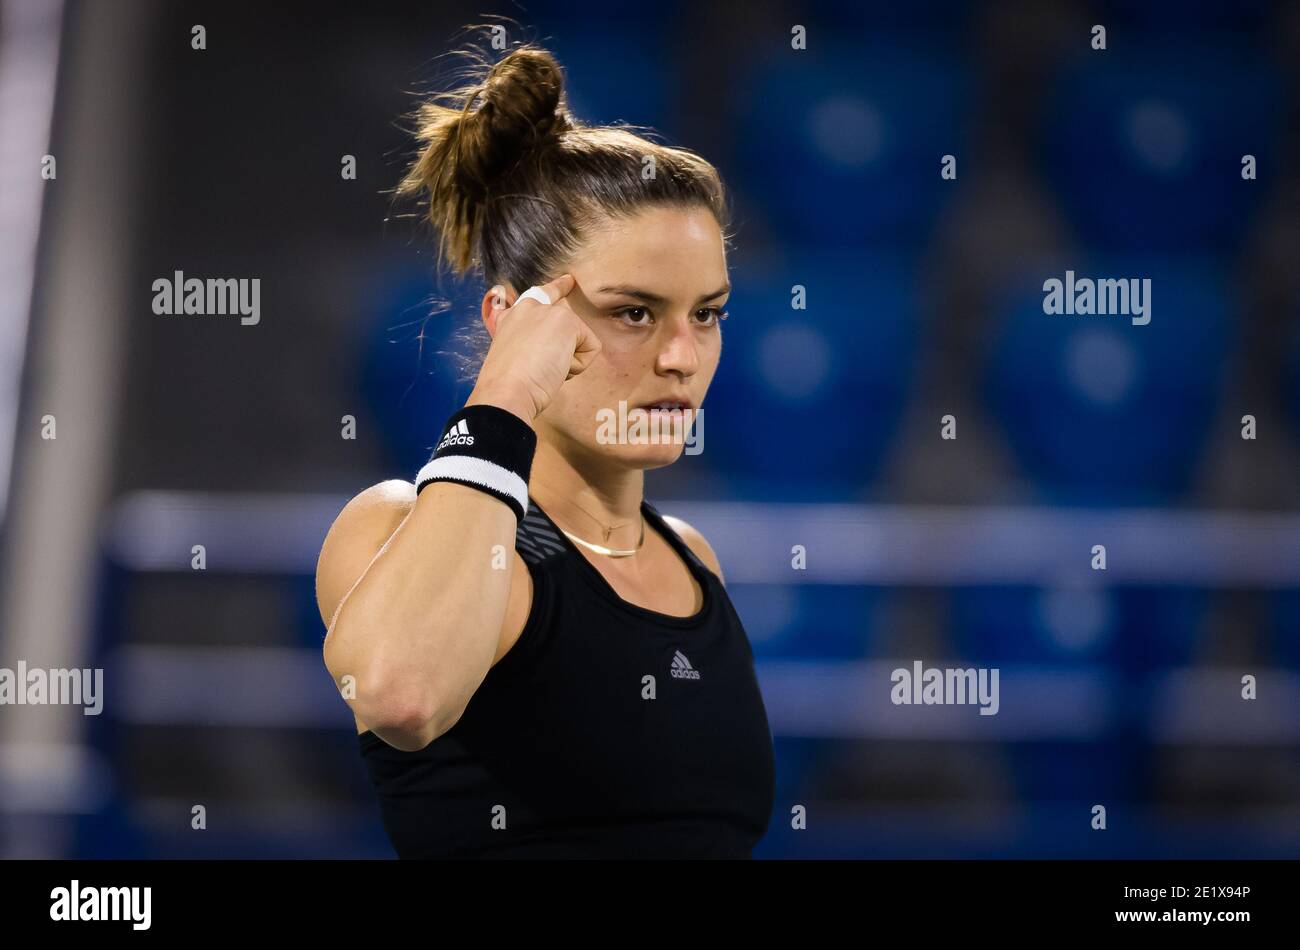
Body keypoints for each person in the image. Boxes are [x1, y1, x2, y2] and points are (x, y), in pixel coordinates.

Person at [317, 38, 774, 858]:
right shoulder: (387, 527)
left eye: (706, 313)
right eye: (634, 312)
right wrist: (504, 397)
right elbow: (401, 695)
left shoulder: (693, 559)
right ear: (513, 319)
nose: (681, 356)